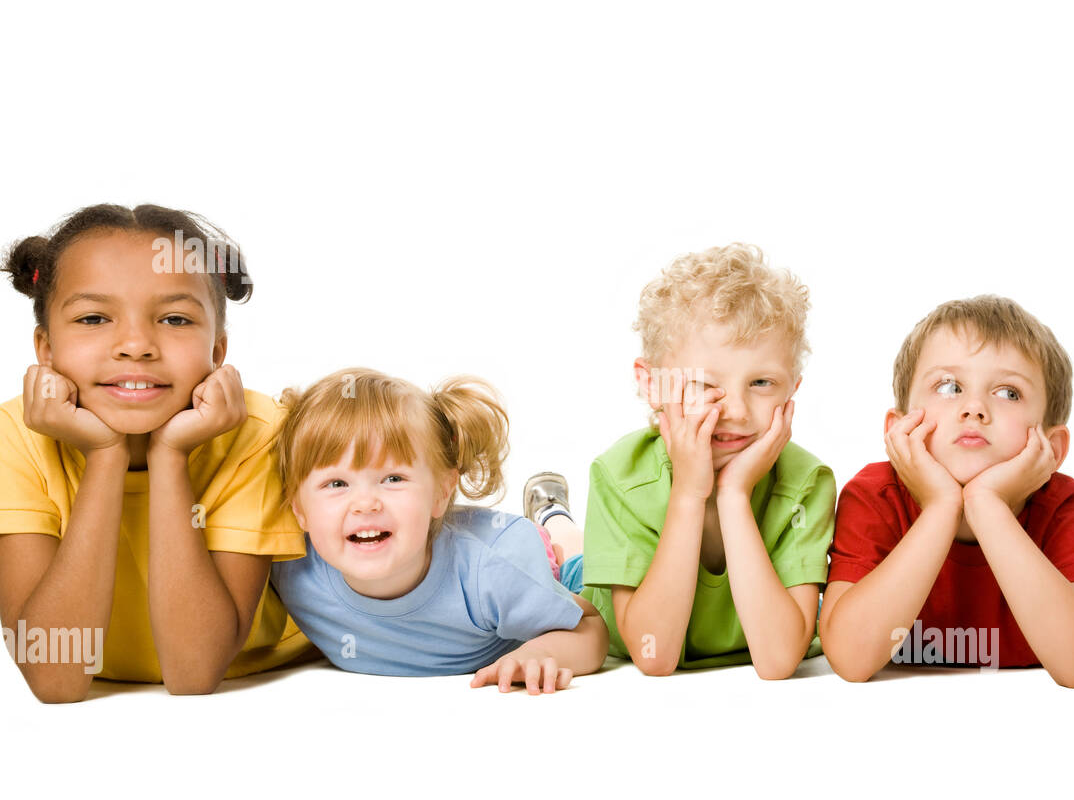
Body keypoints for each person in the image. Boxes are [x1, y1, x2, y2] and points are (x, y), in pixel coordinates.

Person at [0, 204, 308, 702]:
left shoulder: (257, 432)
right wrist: (105, 456)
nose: (136, 345)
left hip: (268, 674)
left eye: (174, 318)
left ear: (218, 352)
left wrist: (170, 457)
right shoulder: (14, 436)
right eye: (94, 317)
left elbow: (193, 672)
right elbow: (55, 679)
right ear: (46, 349)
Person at [820, 295, 1074, 688]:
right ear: (898, 429)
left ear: (1054, 448)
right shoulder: (874, 496)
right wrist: (941, 507)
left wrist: (987, 505)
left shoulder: (1064, 506)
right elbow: (849, 658)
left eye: (1008, 392)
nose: (975, 408)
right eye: (949, 386)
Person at [579, 244, 835, 678]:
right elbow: (655, 656)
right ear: (652, 383)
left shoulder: (807, 483)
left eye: (761, 382)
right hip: (589, 581)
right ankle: (554, 517)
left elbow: (777, 661)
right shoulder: (620, 475)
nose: (735, 409)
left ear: (792, 389)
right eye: (702, 383)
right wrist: (688, 494)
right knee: (567, 557)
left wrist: (734, 495)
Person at [270, 368, 608, 694]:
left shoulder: (491, 577)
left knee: (576, 561)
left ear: (442, 493)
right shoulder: (290, 571)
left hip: (532, 562)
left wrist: (540, 654)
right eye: (337, 483)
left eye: (393, 479)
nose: (365, 504)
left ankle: (553, 514)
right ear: (299, 509)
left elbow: (591, 627)